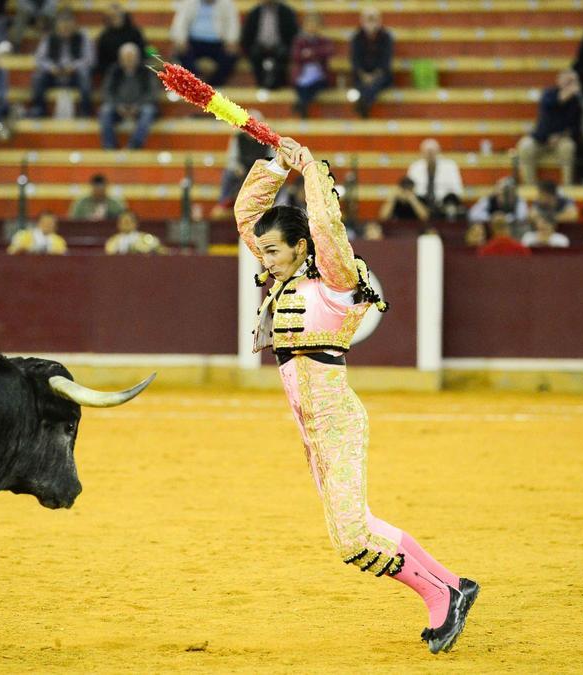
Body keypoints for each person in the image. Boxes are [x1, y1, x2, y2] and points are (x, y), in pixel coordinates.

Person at [234, 135, 478, 655]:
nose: (265, 257)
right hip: (311, 427)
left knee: (349, 538)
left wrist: (311, 171)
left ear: (302, 247)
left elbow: (325, 224)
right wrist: (277, 164)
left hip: (336, 419)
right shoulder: (287, 277)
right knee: (358, 525)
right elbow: (246, 215)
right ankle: (454, 583)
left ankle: (442, 596)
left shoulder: (336, 279)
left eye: (274, 249)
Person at [516, 71, 580, 186]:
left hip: (561, 139)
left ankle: (567, 187)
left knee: (569, 147)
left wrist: (560, 136)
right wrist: (570, 91)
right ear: (559, 80)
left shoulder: (576, 102)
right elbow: (553, 103)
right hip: (540, 138)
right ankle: (530, 187)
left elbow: (575, 127)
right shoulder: (549, 93)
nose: (569, 84)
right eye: (567, 80)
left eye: (572, 82)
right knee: (525, 147)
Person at [29, 9, 94, 118]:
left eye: (68, 27)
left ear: (74, 25)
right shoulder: (49, 38)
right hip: (54, 74)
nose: (65, 30)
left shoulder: (83, 37)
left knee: (84, 75)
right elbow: (39, 59)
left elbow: (90, 59)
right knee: (38, 77)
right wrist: (51, 67)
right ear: (57, 27)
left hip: (74, 75)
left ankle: (85, 111)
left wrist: (74, 67)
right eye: (63, 27)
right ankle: (39, 109)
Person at [99, 43, 160, 150]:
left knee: (148, 111)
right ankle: (109, 147)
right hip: (118, 107)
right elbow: (106, 92)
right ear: (120, 59)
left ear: (137, 58)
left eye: (131, 58)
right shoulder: (114, 70)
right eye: (125, 58)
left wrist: (137, 106)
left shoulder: (146, 71)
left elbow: (153, 92)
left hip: (140, 106)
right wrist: (118, 105)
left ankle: (134, 146)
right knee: (105, 111)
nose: (128, 61)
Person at [170, 0, 241, 87]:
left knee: (231, 54)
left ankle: (214, 85)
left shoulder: (227, 4)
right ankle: (195, 84)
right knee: (180, 52)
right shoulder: (189, 3)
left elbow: (233, 24)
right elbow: (179, 24)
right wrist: (181, 40)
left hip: (218, 43)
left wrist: (231, 41)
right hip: (194, 42)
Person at [215, 117, 276, 215]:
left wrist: (261, 171)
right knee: (228, 173)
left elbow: (272, 159)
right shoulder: (238, 138)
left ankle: (270, 207)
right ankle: (223, 202)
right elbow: (231, 159)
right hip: (241, 171)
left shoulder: (267, 139)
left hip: (260, 172)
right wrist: (237, 168)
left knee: (275, 178)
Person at [241, 0, 299, 90]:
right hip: (260, 47)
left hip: (280, 47)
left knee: (282, 54)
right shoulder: (255, 12)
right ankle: (261, 84)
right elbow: (247, 35)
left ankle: (278, 84)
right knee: (255, 53)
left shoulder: (286, 11)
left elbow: (293, 34)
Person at [349, 7, 394, 119]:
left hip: (381, 75)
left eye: (373, 18)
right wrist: (364, 75)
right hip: (361, 75)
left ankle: (363, 105)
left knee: (374, 85)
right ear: (362, 20)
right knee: (361, 85)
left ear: (379, 20)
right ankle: (365, 104)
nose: (370, 22)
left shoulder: (386, 37)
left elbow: (386, 61)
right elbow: (355, 60)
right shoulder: (357, 37)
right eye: (368, 19)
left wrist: (373, 76)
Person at [291, 11, 335, 118]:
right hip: (302, 74)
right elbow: (296, 56)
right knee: (302, 85)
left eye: (314, 24)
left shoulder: (324, 40)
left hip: (319, 75)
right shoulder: (299, 41)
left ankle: (302, 104)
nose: (311, 26)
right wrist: (313, 54)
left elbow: (329, 52)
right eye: (309, 23)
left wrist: (311, 53)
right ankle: (303, 104)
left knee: (313, 85)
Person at [406, 138, 464, 218]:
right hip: (421, 204)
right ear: (422, 153)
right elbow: (409, 190)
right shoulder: (415, 167)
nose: (430, 154)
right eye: (427, 152)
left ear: (438, 151)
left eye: (432, 151)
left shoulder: (450, 166)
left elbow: (458, 190)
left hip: (443, 204)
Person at [93, 3, 146, 78]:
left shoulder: (135, 32)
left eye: (118, 15)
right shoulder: (104, 37)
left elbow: (145, 51)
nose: (116, 18)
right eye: (112, 16)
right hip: (113, 73)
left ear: (123, 16)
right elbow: (101, 61)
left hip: (135, 70)